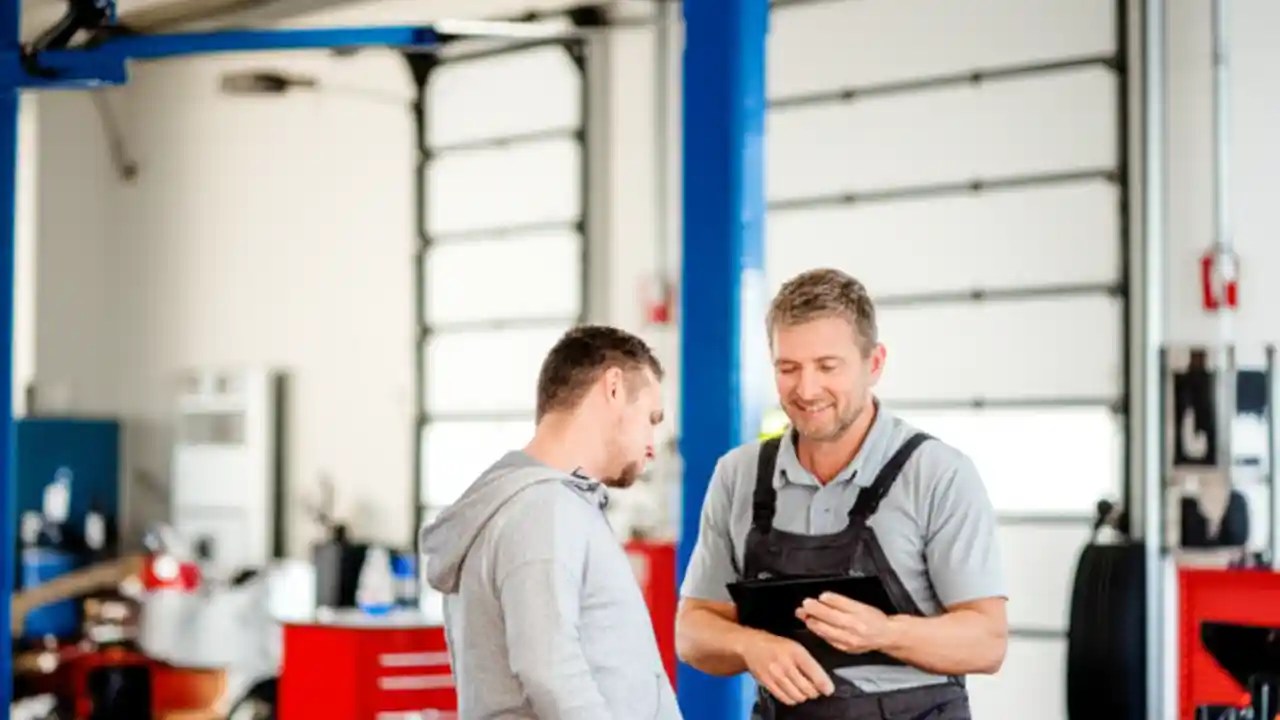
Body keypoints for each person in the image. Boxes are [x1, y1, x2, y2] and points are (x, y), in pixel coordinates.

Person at [675, 268, 1008, 719]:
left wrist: (885, 633)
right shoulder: (739, 476)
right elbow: (692, 631)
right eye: (788, 368)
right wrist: (750, 645)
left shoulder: (939, 475)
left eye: (827, 367)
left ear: (875, 364)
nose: (806, 390)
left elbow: (987, 642)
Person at [420, 324, 682, 720]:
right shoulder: (543, 508)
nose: (651, 445)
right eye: (651, 417)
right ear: (613, 387)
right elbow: (550, 669)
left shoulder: (547, 504)